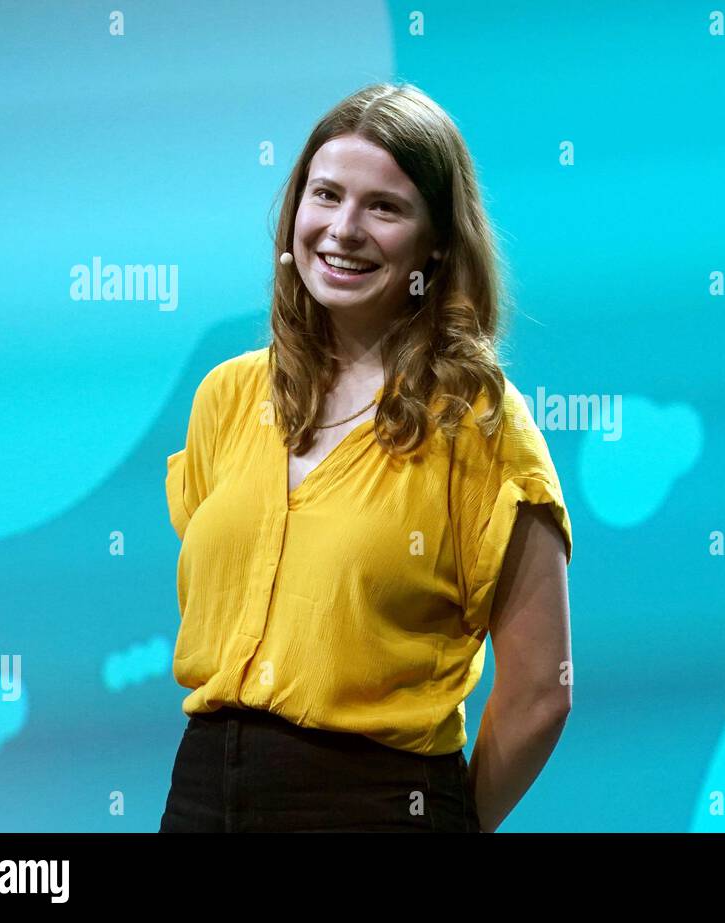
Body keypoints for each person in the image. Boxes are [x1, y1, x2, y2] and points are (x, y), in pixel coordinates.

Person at [158, 82, 573, 833]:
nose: (343, 229)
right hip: (200, 797)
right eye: (326, 195)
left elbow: (543, 687)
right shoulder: (227, 396)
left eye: (384, 207)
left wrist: (446, 822)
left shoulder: (480, 424)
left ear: (436, 243)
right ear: (294, 214)